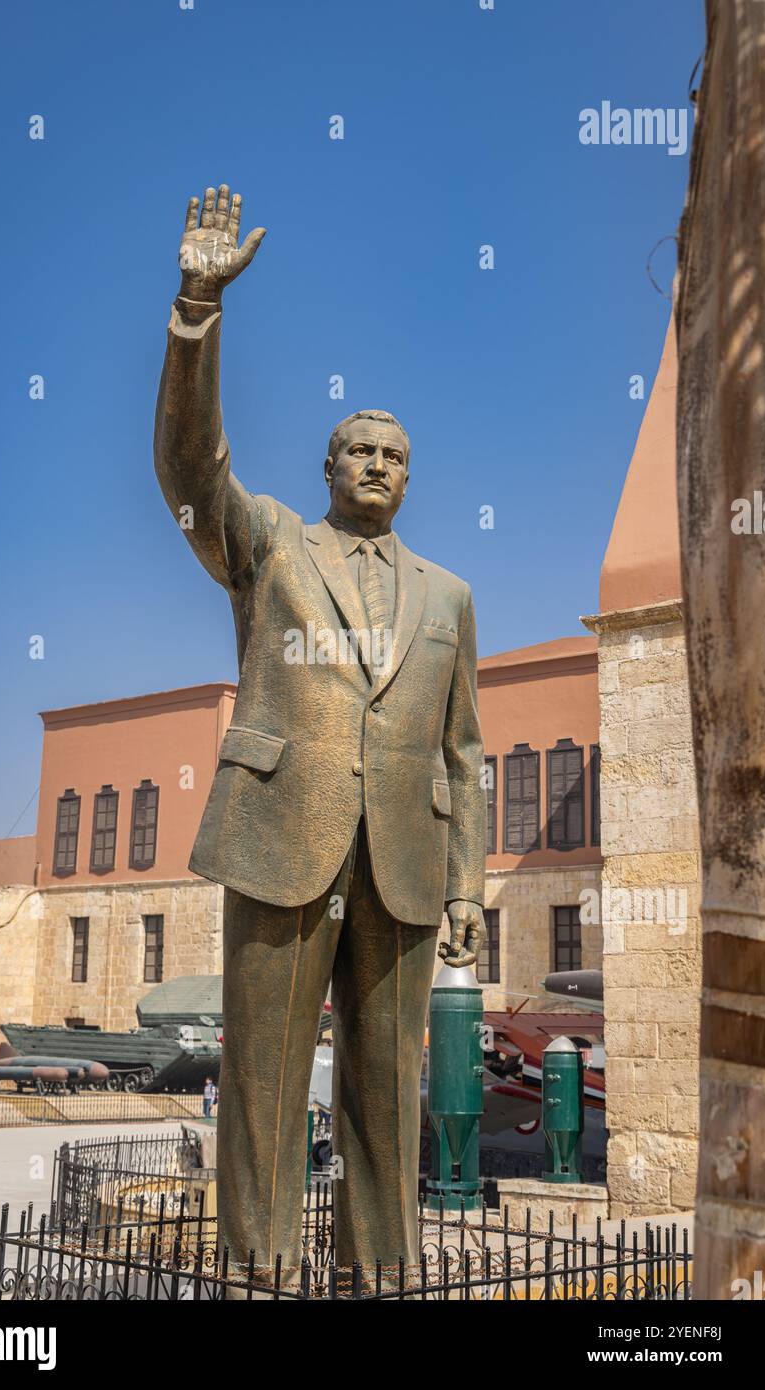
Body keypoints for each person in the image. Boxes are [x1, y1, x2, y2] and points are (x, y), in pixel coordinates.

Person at [153, 184, 486, 1287]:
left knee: (387, 1087)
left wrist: (469, 884)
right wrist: (198, 309)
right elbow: (189, 473)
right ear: (329, 468)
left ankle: (383, 1277)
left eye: (396, 453)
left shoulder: (449, 596)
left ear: (410, 473)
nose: (380, 464)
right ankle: (259, 1272)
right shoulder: (271, 549)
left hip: (404, 859)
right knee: (262, 1075)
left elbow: (462, 752)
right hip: (282, 835)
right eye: (359, 449)